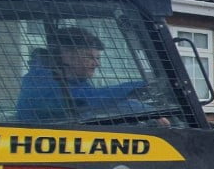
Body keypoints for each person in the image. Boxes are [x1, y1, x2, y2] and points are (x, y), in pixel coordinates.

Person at [15, 27, 150, 122]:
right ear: (66, 56)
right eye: (90, 57)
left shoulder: (76, 81)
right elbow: (85, 101)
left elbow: (101, 108)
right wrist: (136, 88)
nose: (97, 64)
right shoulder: (40, 81)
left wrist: (148, 113)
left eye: (98, 58)